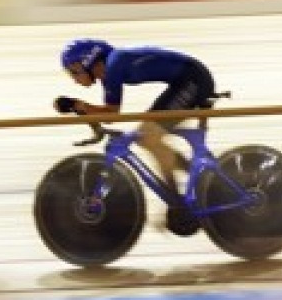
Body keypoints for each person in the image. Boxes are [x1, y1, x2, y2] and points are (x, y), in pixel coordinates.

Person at [52, 38, 216, 205]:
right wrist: (82, 110)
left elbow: (111, 114)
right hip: (186, 80)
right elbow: (108, 115)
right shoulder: (111, 67)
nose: (74, 79)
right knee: (147, 137)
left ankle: (181, 198)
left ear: (88, 62)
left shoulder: (114, 66)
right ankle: (198, 181)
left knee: (149, 137)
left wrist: (78, 105)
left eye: (75, 72)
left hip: (194, 81)